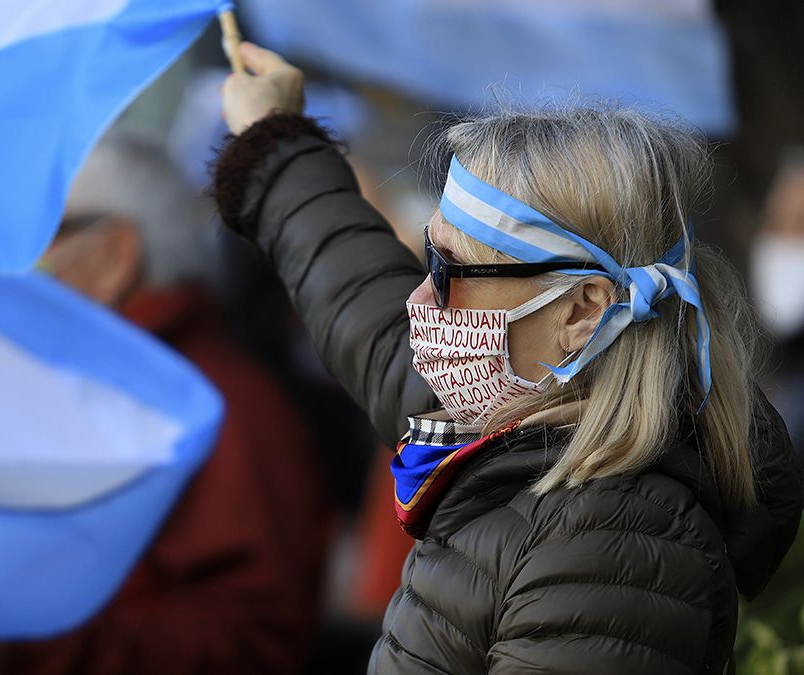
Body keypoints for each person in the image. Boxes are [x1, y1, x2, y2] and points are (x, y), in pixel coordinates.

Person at [211, 42, 803, 673]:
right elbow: (366, 315)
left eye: (450, 271)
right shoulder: (518, 415)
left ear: (582, 309)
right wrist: (278, 147)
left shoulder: (606, 543)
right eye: (429, 257)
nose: (420, 298)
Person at [0, 131, 334, 675]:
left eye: (40, 239)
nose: (17, 265)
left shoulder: (223, 409)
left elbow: (254, 641)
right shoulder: (85, 384)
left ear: (113, 255)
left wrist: (26, 643)